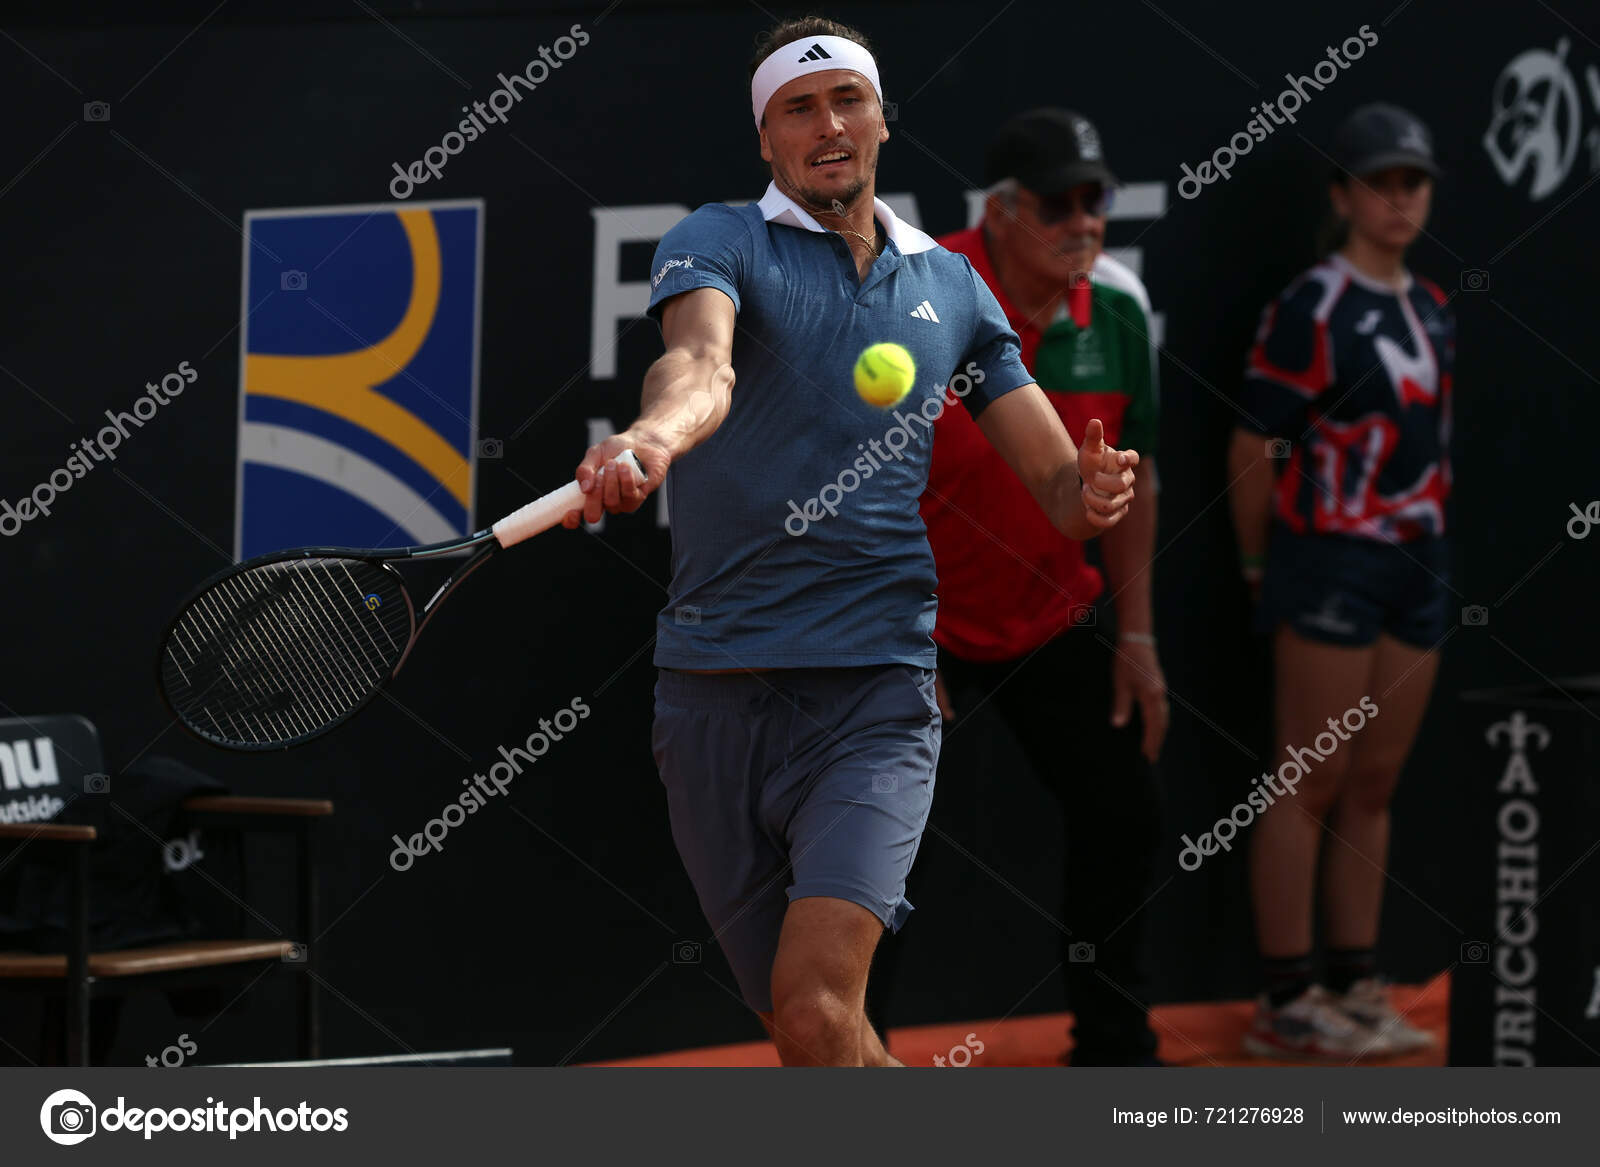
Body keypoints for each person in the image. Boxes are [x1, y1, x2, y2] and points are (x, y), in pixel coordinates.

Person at [564, 16, 1140, 1066]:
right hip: (712, 693)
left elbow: (1057, 485)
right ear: (767, 141)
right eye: (799, 107)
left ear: (880, 120)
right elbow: (700, 365)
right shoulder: (719, 238)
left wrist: (1090, 488)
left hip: (875, 688)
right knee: (808, 1031)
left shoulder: (952, 288)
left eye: (847, 101)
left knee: (820, 1003)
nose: (827, 124)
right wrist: (653, 436)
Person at [865, 109, 1166, 1065]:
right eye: (1059, 204)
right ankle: (851, 1062)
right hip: (915, 622)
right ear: (999, 211)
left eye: (1098, 200)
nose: (1085, 222)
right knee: (874, 845)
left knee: (1125, 811)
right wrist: (901, 634)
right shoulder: (913, 295)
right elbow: (858, 488)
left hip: (1049, 612)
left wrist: (1139, 637)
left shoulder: (1114, 307)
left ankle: (1115, 1051)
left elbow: (1138, 478)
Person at [1227, 103, 1454, 1059]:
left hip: (1419, 563)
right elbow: (1251, 444)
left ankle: (1357, 982)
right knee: (1307, 776)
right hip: (1327, 561)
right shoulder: (1312, 305)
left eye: (1414, 181)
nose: (1399, 199)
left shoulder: (1436, 307)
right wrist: (1256, 564)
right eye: (1381, 181)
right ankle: (1287, 997)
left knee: (1375, 779)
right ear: (1343, 194)